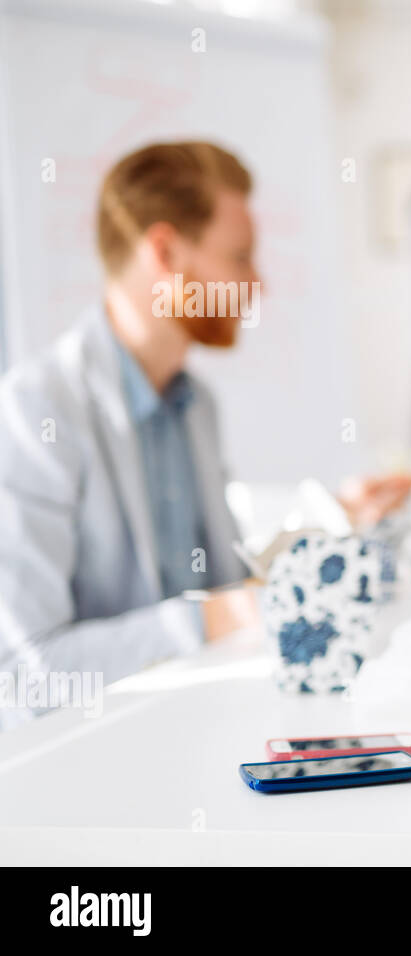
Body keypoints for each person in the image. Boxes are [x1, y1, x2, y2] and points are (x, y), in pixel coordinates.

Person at [0, 142, 261, 727]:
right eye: (241, 258)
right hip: (92, 764)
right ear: (165, 251)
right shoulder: (35, 410)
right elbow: (21, 675)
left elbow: (232, 587)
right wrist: (209, 619)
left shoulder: (198, 406)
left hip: (203, 728)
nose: (257, 285)